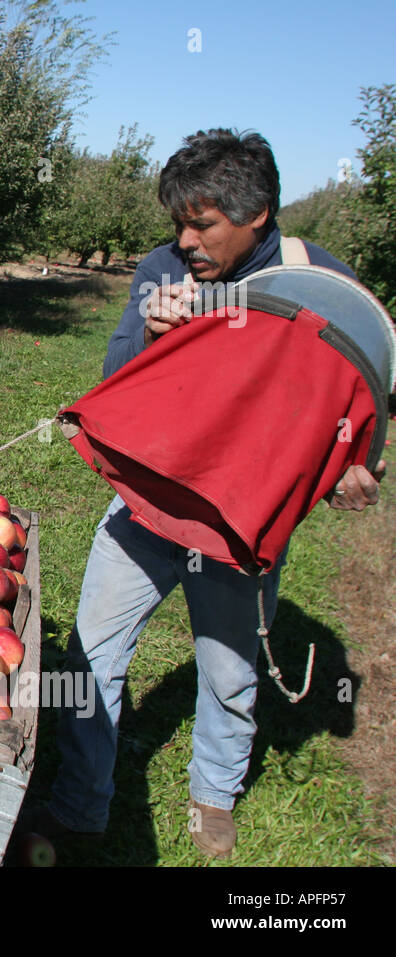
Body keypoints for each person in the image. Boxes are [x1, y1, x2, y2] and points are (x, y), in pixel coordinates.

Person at [28, 129, 386, 858]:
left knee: (228, 669)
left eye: (203, 224)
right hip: (152, 497)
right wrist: (152, 336)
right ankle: (79, 804)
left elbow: (367, 385)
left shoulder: (314, 283)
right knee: (94, 652)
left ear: (257, 215)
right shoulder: (164, 271)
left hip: (240, 518)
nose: (185, 241)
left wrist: (358, 463)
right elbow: (116, 376)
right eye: (178, 224)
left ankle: (213, 795)